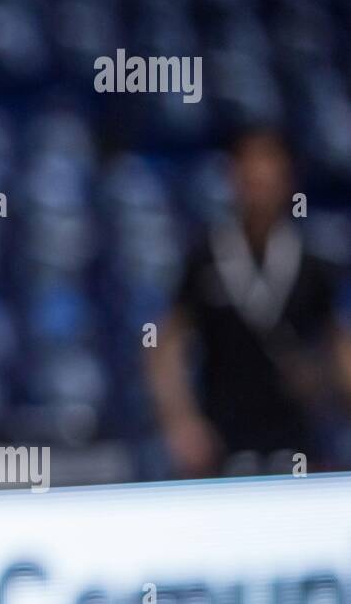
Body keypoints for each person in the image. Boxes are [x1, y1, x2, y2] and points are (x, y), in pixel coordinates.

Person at [148, 126, 351, 478]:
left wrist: (323, 382)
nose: (260, 182)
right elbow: (166, 345)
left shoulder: (312, 263)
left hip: (297, 443)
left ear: (288, 180)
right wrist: (181, 421)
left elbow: (338, 349)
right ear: (234, 177)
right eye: (250, 170)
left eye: (269, 170)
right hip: (224, 444)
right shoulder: (206, 257)